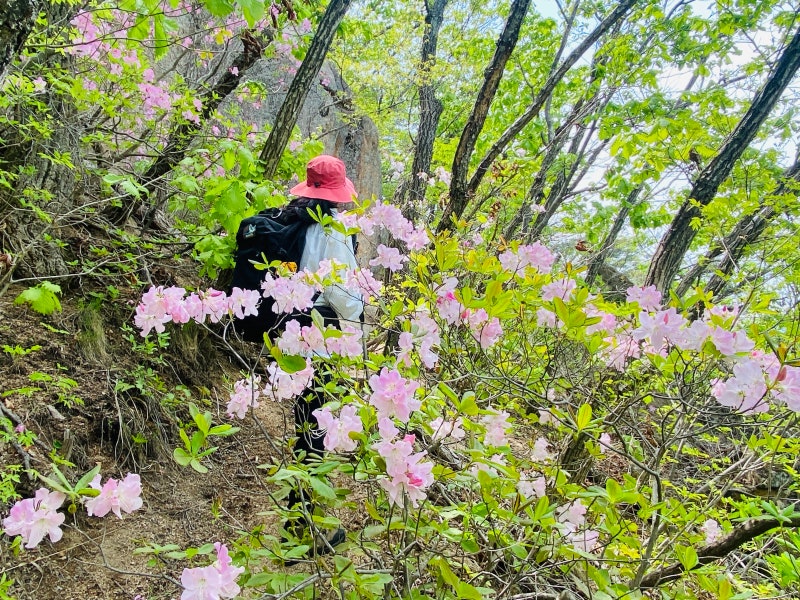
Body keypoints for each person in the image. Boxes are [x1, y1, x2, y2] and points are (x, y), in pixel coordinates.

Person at [281, 155, 363, 558]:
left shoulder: (294, 219)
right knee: (316, 426)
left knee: (304, 422)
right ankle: (300, 529)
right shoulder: (333, 232)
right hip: (325, 335)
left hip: (295, 333)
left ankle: (298, 518)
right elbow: (345, 297)